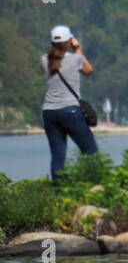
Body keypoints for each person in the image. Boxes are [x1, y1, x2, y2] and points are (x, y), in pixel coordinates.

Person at [40, 25, 98, 179]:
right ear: (69, 42)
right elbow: (89, 71)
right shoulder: (75, 59)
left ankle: (59, 192)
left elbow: (55, 58)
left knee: (58, 156)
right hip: (70, 111)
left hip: (49, 113)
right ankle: (93, 184)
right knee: (90, 150)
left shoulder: (44, 60)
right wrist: (77, 48)